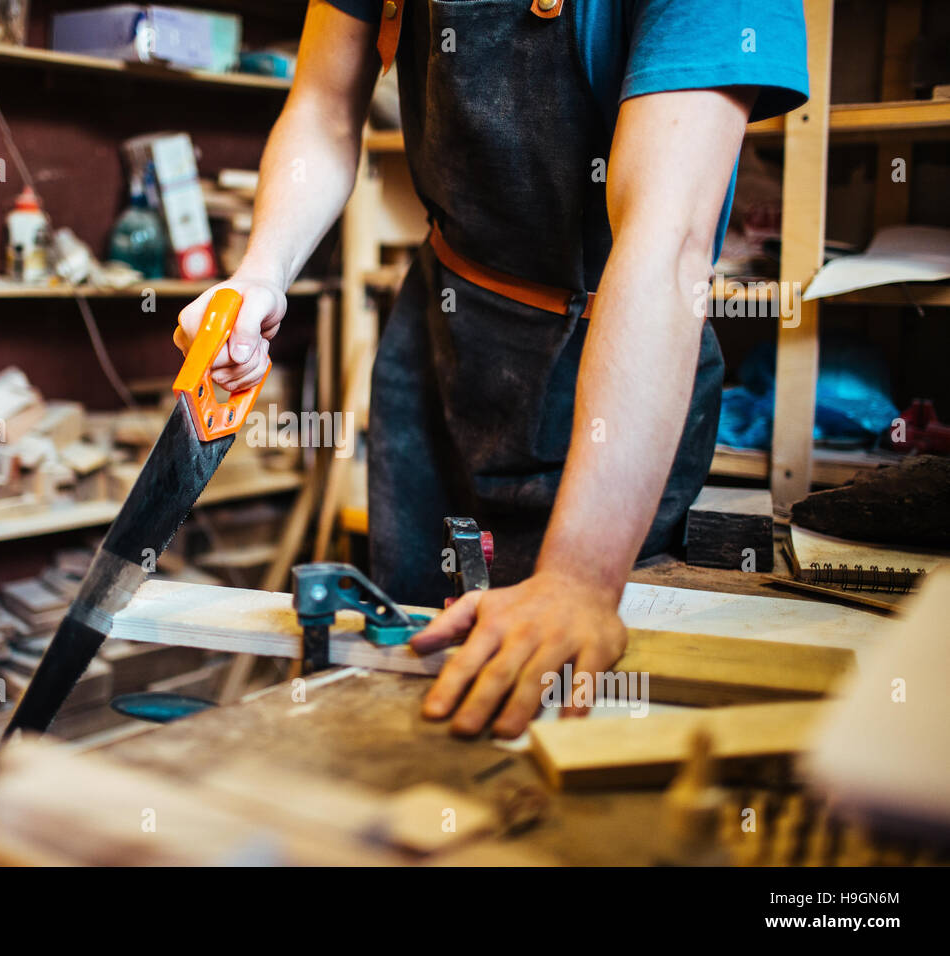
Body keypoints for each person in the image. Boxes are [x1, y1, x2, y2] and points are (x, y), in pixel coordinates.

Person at [175, 0, 809, 738]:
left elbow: (666, 246)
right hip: (441, 336)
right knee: (403, 677)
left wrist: (578, 578)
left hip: (619, 358)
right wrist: (261, 271)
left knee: (566, 711)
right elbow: (322, 106)